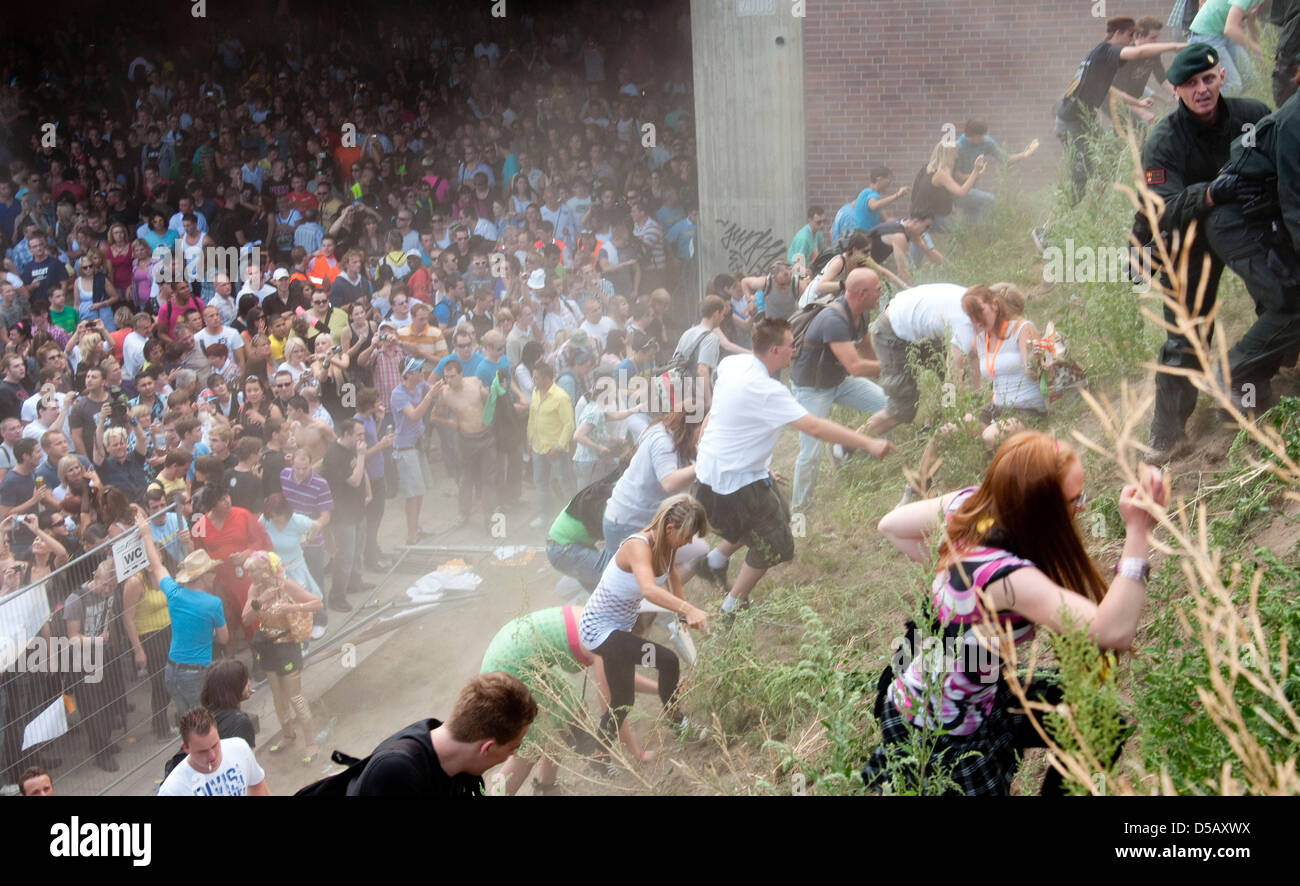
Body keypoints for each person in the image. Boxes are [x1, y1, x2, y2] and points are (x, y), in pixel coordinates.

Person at [862, 432, 1169, 795]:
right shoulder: (1008, 578)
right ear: (1037, 510)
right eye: (1073, 500)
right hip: (945, 736)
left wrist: (954, 575)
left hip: (972, 694)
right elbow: (1112, 630)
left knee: (1096, 719)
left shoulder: (973, 508)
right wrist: (1137, 530)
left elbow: (892, 526)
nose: (1081, 507)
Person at [692, 318, 891, 617]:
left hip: (711, 477)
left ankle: (714, 562)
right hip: (733, 485)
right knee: (776, 543)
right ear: (774, 350)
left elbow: (719, 407)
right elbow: (814, 426)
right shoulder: (766, 390)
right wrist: (867, 443)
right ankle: (731, 608)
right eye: (790, 345)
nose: (794, 349)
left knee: (778, 512)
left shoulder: (733, 365)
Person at [1138, 44, 1271, 460]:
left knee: (1278, 298)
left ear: (1222, 78)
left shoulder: (1252, 116)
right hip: (1183, 239)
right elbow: (1164, 208)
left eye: (1208, 79)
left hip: (1243, 227)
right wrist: (1212, 192)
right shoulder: (1163, 141)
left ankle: (1252, 390)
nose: (1202, 89)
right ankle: (1168, 432)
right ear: (1176, 89)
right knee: (1187, 334)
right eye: (1191, 83)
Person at [579, 495, 710, 764]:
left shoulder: (667, 545)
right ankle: (678, 725)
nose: (688, 543)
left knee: (623, 699)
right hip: (599, 631)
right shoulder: (638, 547)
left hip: (620, 629)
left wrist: (681, 612)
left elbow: (671, 576)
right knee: (667, 660)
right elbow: (650, 589)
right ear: (670, 529)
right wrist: (688, 609)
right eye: (687, 537)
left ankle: (598, 757)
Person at [1203, 82, 1300, 420]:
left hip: (1270, 218)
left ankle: (1254, 383)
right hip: (1239, 221)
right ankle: (1231, 379)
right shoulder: (1294, 121)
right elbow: (1295, 204)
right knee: (1290, 301)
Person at [789, 268, 889, 510]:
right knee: (811, 453)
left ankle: (843, 450)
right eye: (877, 290)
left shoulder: (861, 314)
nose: (881, 294)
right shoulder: (834, 320)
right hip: (811, 389)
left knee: (887, 403)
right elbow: (855, 366)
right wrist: (893, 367)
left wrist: (885, 376)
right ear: (861, 293)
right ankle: (800, 509)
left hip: (838, 382)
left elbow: (865, 350)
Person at [344, 672, 537, 796]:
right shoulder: (395, 771)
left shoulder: (466, 773)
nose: (511, 755)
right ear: (487, 747)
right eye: (513, 747)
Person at [1055, 17, 1186, 199]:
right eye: (1129, 35)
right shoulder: (1106, 52)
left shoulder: (1101, 57)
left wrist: (1138, 103)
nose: (1130, 40)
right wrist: (1174, 47)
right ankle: (1050, 225)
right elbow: (1138, 53)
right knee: (1081, 177)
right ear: (1117, 33)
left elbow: (1111, 90)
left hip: (1085, 121)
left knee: (1105, 158)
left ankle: (1100, 200)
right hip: (1071, 123)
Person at [860, 283, 981, 439]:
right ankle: (848, 445)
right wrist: (957, 413)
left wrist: (978, 396)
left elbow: (973, 355)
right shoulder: (965, 322)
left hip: (917, 325)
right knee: (903, 407)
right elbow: (954, 374)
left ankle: (928, 429)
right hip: (892, 330)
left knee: (945, 376)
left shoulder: (978, 302)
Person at [241, 551, 322, 762]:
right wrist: (260, 600)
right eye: (248, 570)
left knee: (295, 696)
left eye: (254, 569)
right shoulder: (254, 589)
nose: (250, 574)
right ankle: (288, 734)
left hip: (287, 647)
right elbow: (245, 618)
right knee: (277, 696)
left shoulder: (287, 585)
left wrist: (291, 607)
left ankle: (311, 743)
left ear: (267, 569)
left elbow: (317, 603)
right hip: (268, 647)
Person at [190, 485, 273, 644]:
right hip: (222, 581)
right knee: (229, 619)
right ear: (212, 504)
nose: (227, 501)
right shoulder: (199, 526)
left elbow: (261, 540)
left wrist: (247, 553)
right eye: (221, 500)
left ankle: (260, 653)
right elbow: (199, 554)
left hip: (246, 578)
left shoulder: (243, 515)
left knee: (253, 615)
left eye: (227, 496)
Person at [390, 357, 445, 544]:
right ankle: (411, 534)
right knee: (412, 494)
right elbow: (414, 415)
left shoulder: (420, 386)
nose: (423, 372)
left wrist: (437, 390)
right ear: (408, 374)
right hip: (405, 448)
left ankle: (416, 528)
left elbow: (438, 395)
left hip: (418, 445)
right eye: (419, 369)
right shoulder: (398, 394)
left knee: (419, 491)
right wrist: (430, 397)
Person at [157, 707, 270, 796]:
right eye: (202, 751)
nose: (212, 755)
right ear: (186, 748)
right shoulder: (172, 790)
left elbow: (258, 786)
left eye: (215, 745)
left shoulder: (240, 748)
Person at [122, 560, 174, 739]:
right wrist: (138, 650)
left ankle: (159, 721)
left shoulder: (162, 573)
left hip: (169, 631)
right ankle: (161, 728)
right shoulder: (135, 583)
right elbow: (127, 618)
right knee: (161, 683)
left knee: (172, 679)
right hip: (150, 638)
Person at [321, 418, 370, 612]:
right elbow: (355, 479)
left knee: (358, 549)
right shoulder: (334, 454)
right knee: (345, 556)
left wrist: (369, 493)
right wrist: (361, 456)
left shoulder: (353, 447)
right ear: (347, 434)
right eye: (359, 435)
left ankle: (355, 582)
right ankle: (337, 596)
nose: (362, 439)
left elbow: (362, 473)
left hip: (357, 507)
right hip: (342, 513)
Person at [527, 361, 576, 528]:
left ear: (546, 379)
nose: (533, 380)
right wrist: (530, 439)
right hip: (538, 447)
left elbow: (569, 424)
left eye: (536, 377)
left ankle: (572, 518)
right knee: (540, 482)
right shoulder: (535, 393)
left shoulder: (561, 397)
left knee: (564, 482)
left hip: (556, 449)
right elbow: (532, 418)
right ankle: (545, 515)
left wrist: (559, 447)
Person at [200, 659, 256, 747]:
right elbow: (248, 759)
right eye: (244, 679)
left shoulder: (204, 717)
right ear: (233, 687)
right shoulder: (241, 722)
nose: (249, 682)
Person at [787, 206, 826, 270]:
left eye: (824, 221)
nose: (822, 225)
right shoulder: (803, 239)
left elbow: (823, 249)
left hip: (808, 266)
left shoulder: (818, 231)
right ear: (810, 220)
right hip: (795, 270)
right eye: (818, 222)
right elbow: (797, 267)